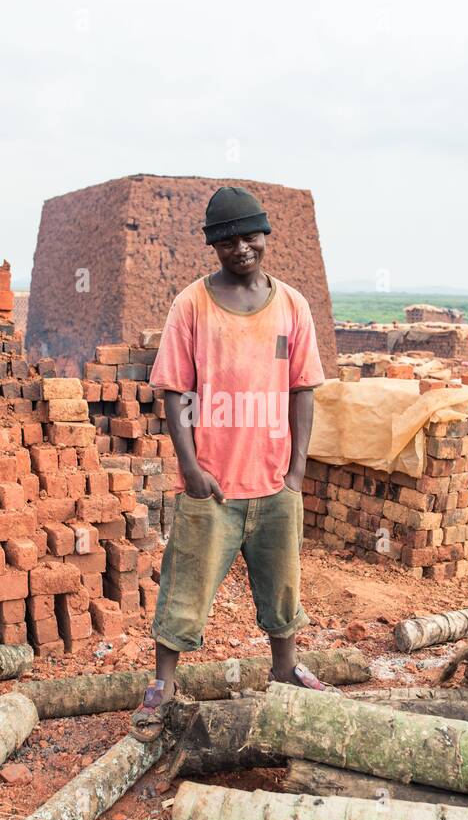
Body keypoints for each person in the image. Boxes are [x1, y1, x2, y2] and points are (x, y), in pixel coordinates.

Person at [128, 186, 327, 742]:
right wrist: (191, 470)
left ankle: (284, 670)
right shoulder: (191, 304)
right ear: (213, 246)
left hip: (274, 481)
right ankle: (162, 688)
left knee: (283, 588)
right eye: (228, 240)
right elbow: (173, 390)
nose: (242, 248)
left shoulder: (291, 306)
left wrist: (296, 470)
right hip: (212, 485)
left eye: (250, 237)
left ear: (265, 237)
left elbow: (303, 389)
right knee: (185, 587)